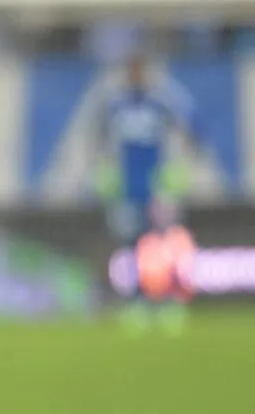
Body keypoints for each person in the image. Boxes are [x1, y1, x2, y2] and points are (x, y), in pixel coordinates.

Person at [95, 54, 199, 334]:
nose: (136, 76)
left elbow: (190, 127)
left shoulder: (161, 101)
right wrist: (107, 171)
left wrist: (178, 168)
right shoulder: (115, 105)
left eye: (139, 71)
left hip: (157, 183)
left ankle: (170, 300)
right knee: (132, 244)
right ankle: (137, 301)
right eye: (132, 71)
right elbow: (101, 140)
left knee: (165, 243)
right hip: (130, 185)